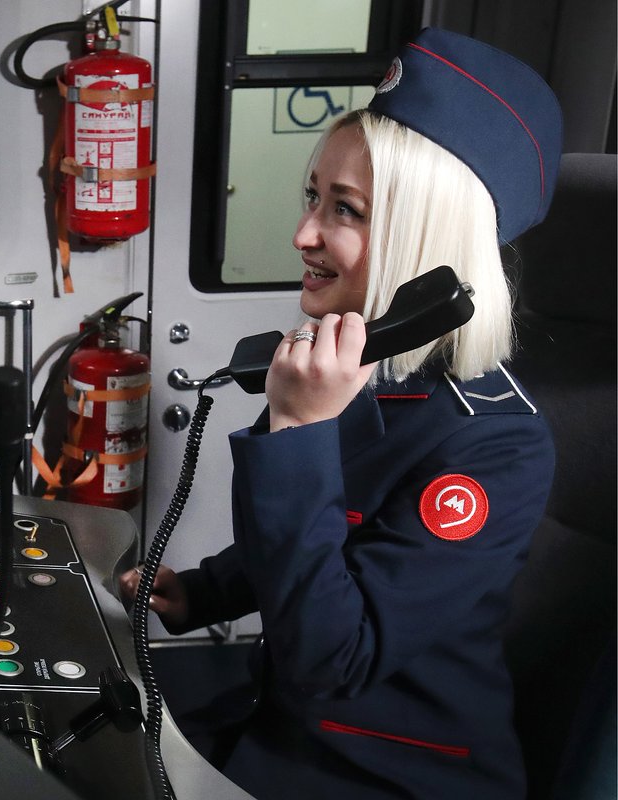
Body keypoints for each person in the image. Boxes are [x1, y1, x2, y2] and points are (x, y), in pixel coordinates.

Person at [120, 28, 563, 799]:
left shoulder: (500, 443)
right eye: (313, 198)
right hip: (282, 730)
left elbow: (336, 659)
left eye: (346, 210)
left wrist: (298, 430)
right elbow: (334, 539)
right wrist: (208, 592)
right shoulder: (367, 373)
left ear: (430, 239)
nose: (304, 235)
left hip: (388, 775)